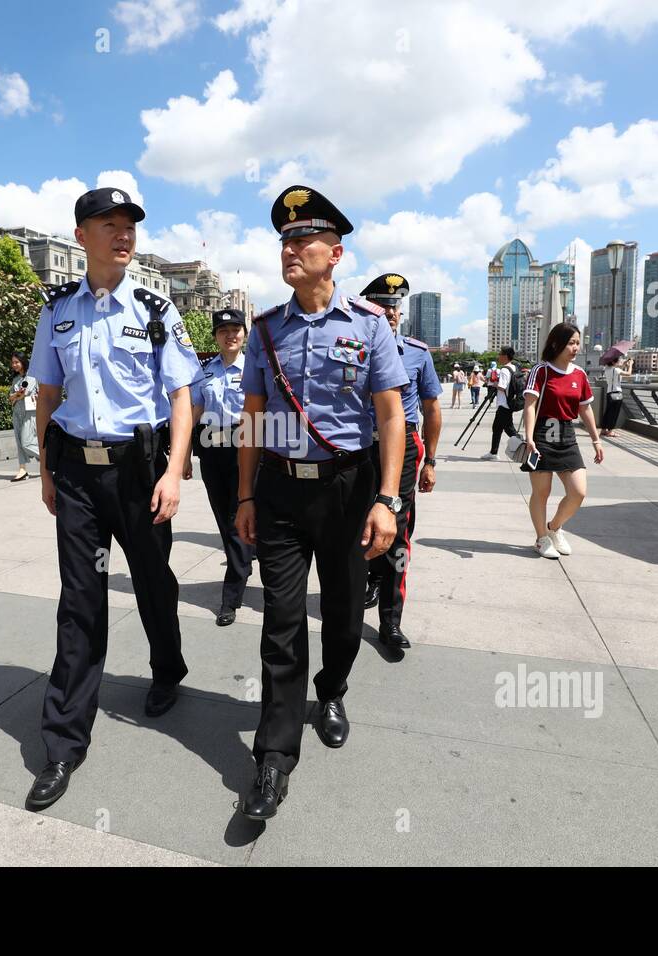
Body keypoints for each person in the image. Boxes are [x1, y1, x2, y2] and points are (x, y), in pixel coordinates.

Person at [23, 186, 201, 812]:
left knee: (154, 579)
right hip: (75, 469)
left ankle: (168, 669)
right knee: (79, 599)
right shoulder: (56, 312)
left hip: (140, 467)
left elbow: (182, 395)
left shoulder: (156, 309)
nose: (123, 234)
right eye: (109, 224)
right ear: (81, 237)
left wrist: (174, 472)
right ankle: (65, 741)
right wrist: (46, 470)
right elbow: (46, 394)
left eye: (129, 224)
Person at [233, 185, 407, 822]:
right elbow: (253, 417)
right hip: (278, 489)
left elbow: (392, 418)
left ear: (334, 254)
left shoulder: (369, 328)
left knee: (339, 610)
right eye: (284, 240)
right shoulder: (266, 330)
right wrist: (247, 493)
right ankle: (274, 756)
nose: (289, 249)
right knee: (280, 621)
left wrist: (386, 500)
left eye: (302, 240)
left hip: (346, 488)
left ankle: (331, 689)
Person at [359, 273, 442, 648]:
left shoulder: (417, 352)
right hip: (359, 444)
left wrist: (431, 461)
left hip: (403, 446)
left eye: (395, 306)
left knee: (398, 532)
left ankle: (391, 620)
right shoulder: (353, 345)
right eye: (382, 304)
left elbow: (432, 408)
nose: (390, 312)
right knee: (355, 522)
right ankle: (365, 582)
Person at [188, 308, 256, 626]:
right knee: (223, 517)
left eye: (236, 329)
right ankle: (243, 562)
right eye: (223, 330)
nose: (230, 335)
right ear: (215, 336)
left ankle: (231, 594)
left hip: (244, 449)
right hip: (212, 452)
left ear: (244, 333)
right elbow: (194, 410)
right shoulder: (203, 371)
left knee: (236, 517)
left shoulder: (255, 367)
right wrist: (185, 454)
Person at [521, 324, 604, 559]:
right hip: (541, 437)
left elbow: (584, 409)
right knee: (542, 492)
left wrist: (596, 440)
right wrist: (529, 438)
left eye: (578, 342)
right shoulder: (541, 371)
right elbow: (530, 405)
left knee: (578, 492)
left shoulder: (579, 374)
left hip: (567, 437)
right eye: (571, 343)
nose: (575, 347)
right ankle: (541, 538)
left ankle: (554, 527)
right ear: (556, 343)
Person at [8, 352, 40, 482]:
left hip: (29, 413)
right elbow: (11, 398)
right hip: (17, 413)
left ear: (23, 362)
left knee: (26, 442)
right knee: (19, 443)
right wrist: (16, 395)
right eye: (13, 362)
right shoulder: (15, 380)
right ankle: (22, 469)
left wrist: (16, 396)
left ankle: (50, 459)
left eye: (17, 362)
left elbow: (22, 395)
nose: (14, 365)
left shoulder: (32, 377)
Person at [482, 347, 519, 460]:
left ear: (505, 356)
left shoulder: (504, 370)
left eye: (500, 354)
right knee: (497, 428)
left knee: (509, 429)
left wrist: (493, 384)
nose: (498, 356)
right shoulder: (514, 368)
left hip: (504, 404)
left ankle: (526, 448)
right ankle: (493, 453)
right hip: (510, 402)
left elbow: (502, 387)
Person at [599, 353, 628, 438]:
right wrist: (630, 366)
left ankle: (603, 430)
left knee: (608, 413)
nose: (620, 361)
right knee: (614, 414)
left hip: (609, 393)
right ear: (614, 362)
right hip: (617, 393)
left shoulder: (607, 369)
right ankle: (610, 431)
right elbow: (628, 373)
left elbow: (618, 370)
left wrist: (625, 363)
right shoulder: (616, 370)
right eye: (618, 360)